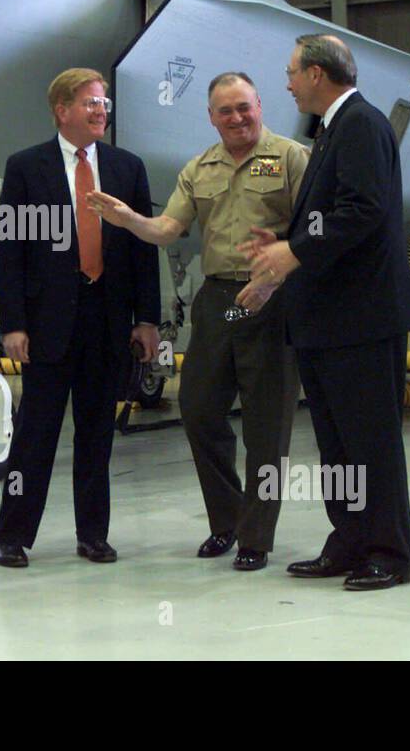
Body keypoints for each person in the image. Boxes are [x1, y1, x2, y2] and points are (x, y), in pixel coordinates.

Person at [88, 72, 307, 571]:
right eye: (225, 111)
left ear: (260, 105)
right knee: (199, 408)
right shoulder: (200, 167)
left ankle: (256, 537)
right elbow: (168, 228)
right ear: (211, 117)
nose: (236, 118)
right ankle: (227, 520)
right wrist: (128, 219)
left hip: (271, 296)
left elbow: (315, 225)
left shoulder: (292, 158)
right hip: (220, 302)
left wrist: (282, 258)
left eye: (244, 107)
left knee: (266, 425)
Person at [238, 34, 410, 591]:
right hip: (329, 320)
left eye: (293, 72)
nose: (288, 82)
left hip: (361, 319)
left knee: (370, 441)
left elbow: (362, 211)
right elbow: (332, 217)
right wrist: (288, 238)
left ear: (318, 74)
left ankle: (388, 551)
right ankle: (349, 540)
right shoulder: (333, 130)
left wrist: (292, 251)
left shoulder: (361, 125)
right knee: (338, 443)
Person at [0, 68, 160, 568]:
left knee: (97, 434)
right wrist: (14, 323)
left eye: (103, 102)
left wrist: (146, 318)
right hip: (47, 324)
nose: (100, 110)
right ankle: (13, 535)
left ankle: (93, 534)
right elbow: (11, 251)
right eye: (89, 102)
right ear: (61, 109)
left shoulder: (128, 168)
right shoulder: (26, 168)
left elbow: (142, 249)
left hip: (107, 319)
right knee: (35, 435)